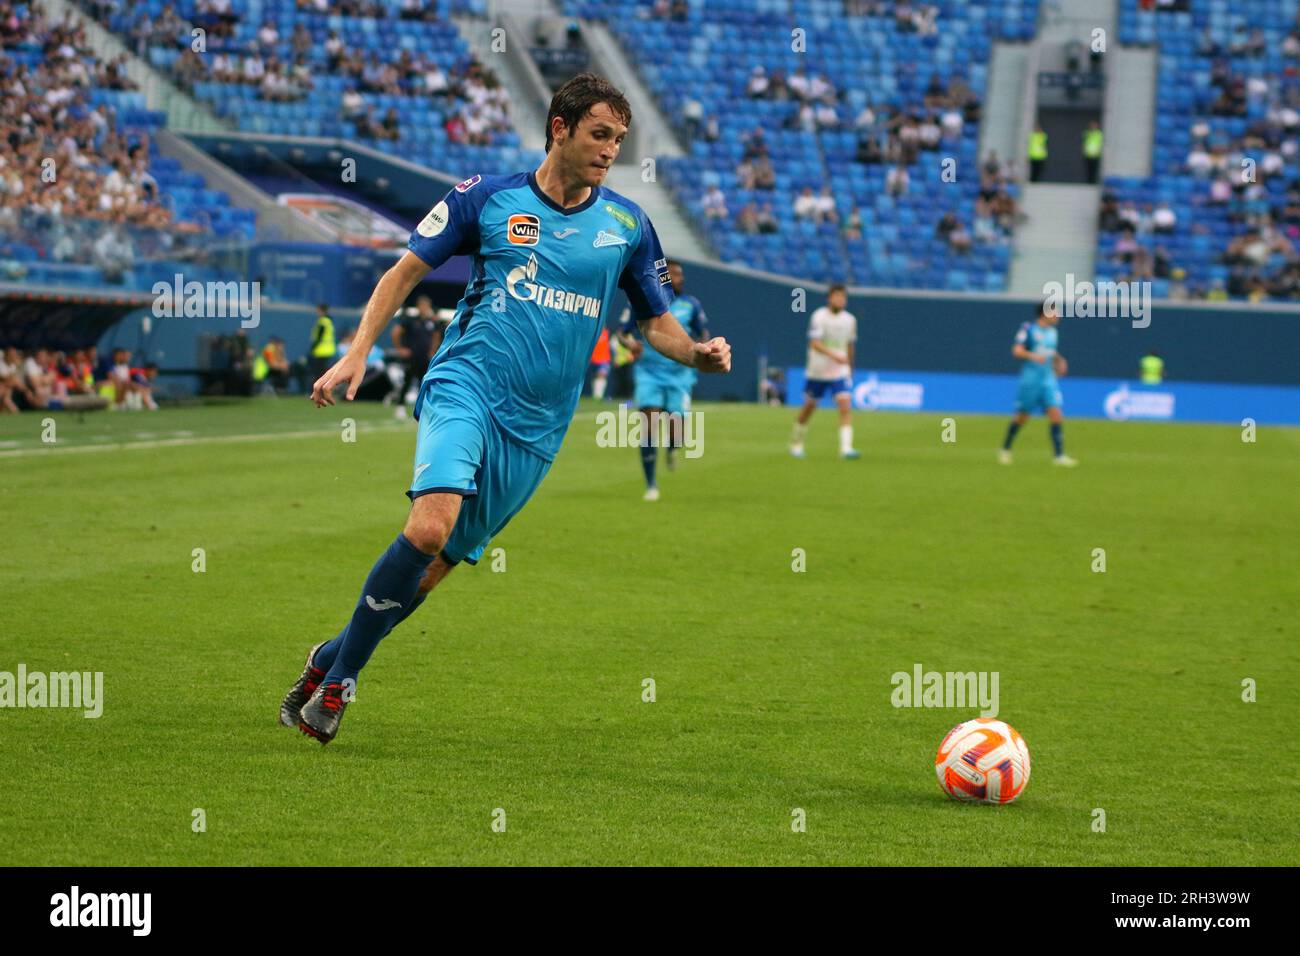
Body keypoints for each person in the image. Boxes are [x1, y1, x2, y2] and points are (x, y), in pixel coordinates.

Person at [279, 73, 732, 743]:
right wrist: (355, 353)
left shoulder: (628, 227)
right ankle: (344, 681)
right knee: (429, 528)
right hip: (467, 386)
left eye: (620, 140)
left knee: (431, 571)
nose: (611, 150)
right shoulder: (486, 199)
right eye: (600, 134)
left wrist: (695, 354)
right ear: (560, 127)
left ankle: (331, 659)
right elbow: (404, 271)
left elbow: (653, 322)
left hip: (538, 428)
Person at [616, 259, 709, 499]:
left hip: (680, 374)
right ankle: (651, 484)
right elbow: (621, 333)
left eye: (681, 275)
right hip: (649, 372)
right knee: (649, 425)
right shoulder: (643, 299)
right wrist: (631, 344)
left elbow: (703, 333)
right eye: (676, 275)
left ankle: (672, 448)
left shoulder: (691, 305)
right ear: (663, 277)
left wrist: (703, 348)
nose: (681, 279)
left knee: (677, 430)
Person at [999, 301, 1077, 466]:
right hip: (1031, 380)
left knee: (1056, 413)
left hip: (1048, 379)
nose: (1058, 316)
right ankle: (1005, 448)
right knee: (1022, 417)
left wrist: (1059, 359)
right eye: (1055, 312)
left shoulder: (1053, 333)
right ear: (1044, 313)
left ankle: (1059, 456)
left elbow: (1049, 350)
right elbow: (1017, 350)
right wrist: (1033, 356)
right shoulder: (1028, 329)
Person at [789, 284, 860, 460]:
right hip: (818, 370)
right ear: (829, 298)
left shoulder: (850, 320)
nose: (840, 300)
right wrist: (834, 355)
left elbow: (850, 345)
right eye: (837, 297)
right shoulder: (819, 316)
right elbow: (814, 343)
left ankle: (846, 448)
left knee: (845, 404)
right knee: (809, 407)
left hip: (839, 371)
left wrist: (850, 368)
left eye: (843, 297)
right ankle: (796, 443)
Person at [391, 295, 444, 406]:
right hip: (412, 356)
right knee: (407, 381)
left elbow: (436, 335)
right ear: (418, 306)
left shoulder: (431, 322)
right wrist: (400, 349)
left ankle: (421, 407)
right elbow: (395, 332)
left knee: (424, 382)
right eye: (422, 305)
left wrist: (433, 350)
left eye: (426, 305)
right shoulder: (410, 320)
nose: (424, 308)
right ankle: (400, 406)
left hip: (425, 357)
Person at [307, 303, 336, 384]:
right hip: (328, 350)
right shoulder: (329, 321)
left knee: (319, 373)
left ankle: (319, 389)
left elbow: (319, 337)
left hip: (321, 351)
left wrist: (313, 347)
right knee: (323, 372)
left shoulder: (323, 321)